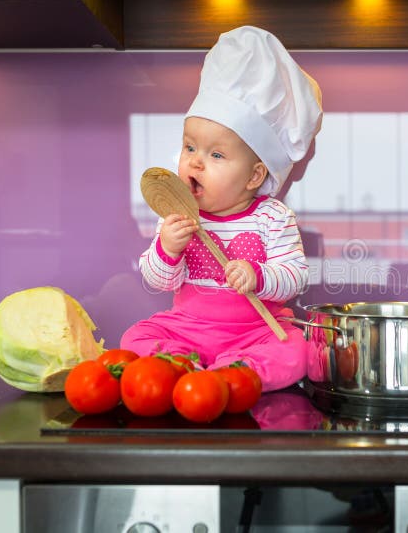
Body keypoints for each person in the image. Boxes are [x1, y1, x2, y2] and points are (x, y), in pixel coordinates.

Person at [120, 26, 323, 392]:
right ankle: (191, 365)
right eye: (190, 147)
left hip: (253, 332)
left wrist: (257, 276)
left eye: (216, 155)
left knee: (297, 349)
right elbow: (157, 282)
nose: (195, 163)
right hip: (187, 328)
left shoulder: (271, 217)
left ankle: (233, 371)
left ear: (254, 175)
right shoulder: (178, 213)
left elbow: (296, 276)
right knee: (137, 336)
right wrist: (168, 248)